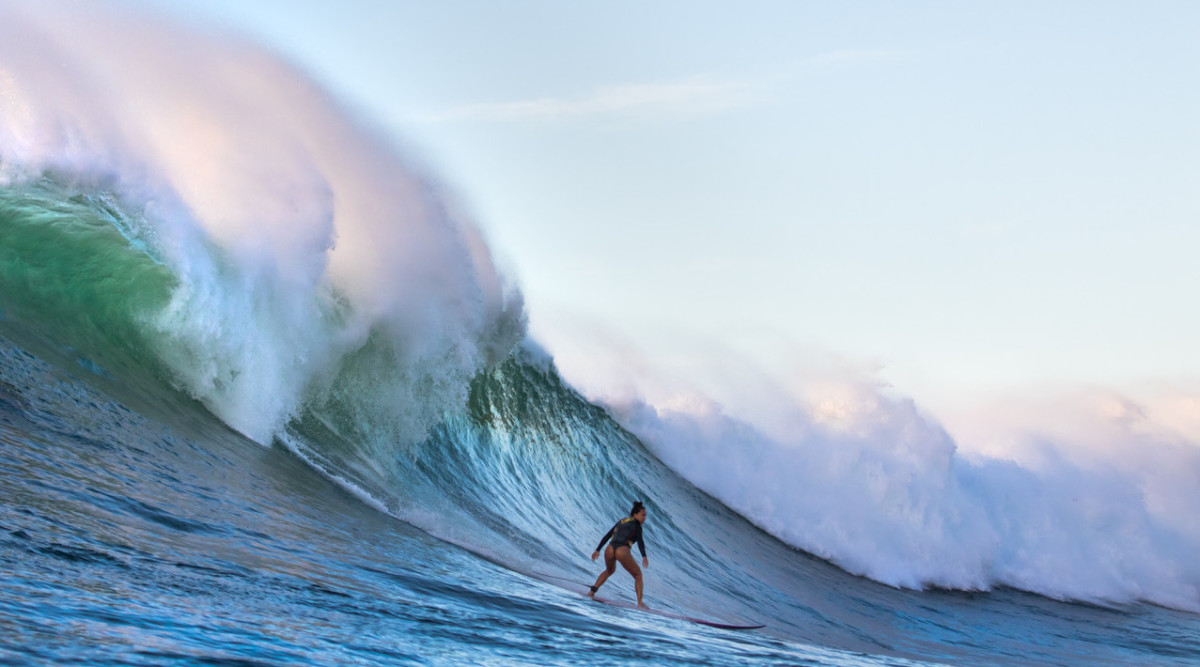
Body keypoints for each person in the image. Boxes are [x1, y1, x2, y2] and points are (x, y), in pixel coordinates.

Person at [589, 500, 650, 608]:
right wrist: (644, 556)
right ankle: (640, 603)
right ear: (635, 514)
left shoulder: (622, 521)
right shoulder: (637, 525)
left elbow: (608, 535)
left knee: (609, 570)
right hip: (622, 550)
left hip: (609, 549)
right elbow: (640, 541)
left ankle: (592, 592)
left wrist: (598, 550)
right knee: (638, 575)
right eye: (643, 515)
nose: (644, 518)